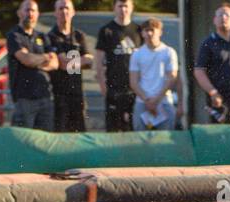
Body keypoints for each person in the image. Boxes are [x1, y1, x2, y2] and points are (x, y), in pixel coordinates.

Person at [195, 3, 230, 124]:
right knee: (220, 137)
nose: (223, 17)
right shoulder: (208, 43)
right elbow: (199, 71)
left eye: (227, 15)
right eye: (220, 15)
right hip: (219, 100)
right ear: (214, 20)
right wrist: (213, 92)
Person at [7, 0, 56, 130]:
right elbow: (26, 59)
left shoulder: (43, 36)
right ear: (19, 13)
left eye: (33, 10)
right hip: (25, 98)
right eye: (27, 10)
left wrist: (35, 62)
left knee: (45, 140)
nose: (30, 13)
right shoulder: (14, 35)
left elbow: (55, 63)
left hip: (45, 97)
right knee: (23, 140)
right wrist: (45, 57)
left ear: (38, 14)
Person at [46, 0, 92, 132]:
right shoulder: (50, 37)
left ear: (73, 12)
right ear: (55, 12)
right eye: (60, 8)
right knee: (60, 135)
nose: (64, 11)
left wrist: (70, 61)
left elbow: (90, 61)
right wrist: (79, 60)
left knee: (80, 134)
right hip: (58, 96)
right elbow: (62, 64)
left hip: (78, 94)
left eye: (67, 8)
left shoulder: (79, 36)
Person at [95, 0, 140, 132]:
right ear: (114, 8)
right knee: (113, 130)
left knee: (132, 130)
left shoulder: (138, 30)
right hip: (113, 89)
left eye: (126, 6)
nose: (123, 9)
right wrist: (103, 86)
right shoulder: (106, 30)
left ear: (131, 8)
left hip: (134, 90)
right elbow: (98, 61)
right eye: (120, 6)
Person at [129, 17, 177, 131]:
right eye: (146, 30)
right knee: (140, 139)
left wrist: (156, 100)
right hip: (143, 102)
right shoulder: (137, 54)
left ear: (160, 32)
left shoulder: (169, 52)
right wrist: (147, 100)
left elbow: (172, 78)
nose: (149, 33)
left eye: (152, 30)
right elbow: (133, 82)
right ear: (142, 33)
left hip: (164, 101)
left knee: (166, 139)